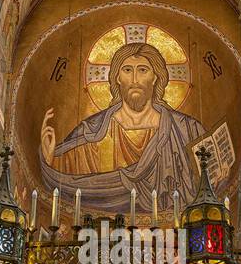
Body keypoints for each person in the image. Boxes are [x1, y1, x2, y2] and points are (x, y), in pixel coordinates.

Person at [41, 42, 207, 209]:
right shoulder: (93, 131)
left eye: (143, 70)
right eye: (127, 70)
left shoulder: (186, 129)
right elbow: (63, 180)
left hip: (176, 231)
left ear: (156, 76)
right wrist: (50, 158)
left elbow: (204, 180)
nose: (135, 80)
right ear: (117, 78)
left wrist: (218, 176)